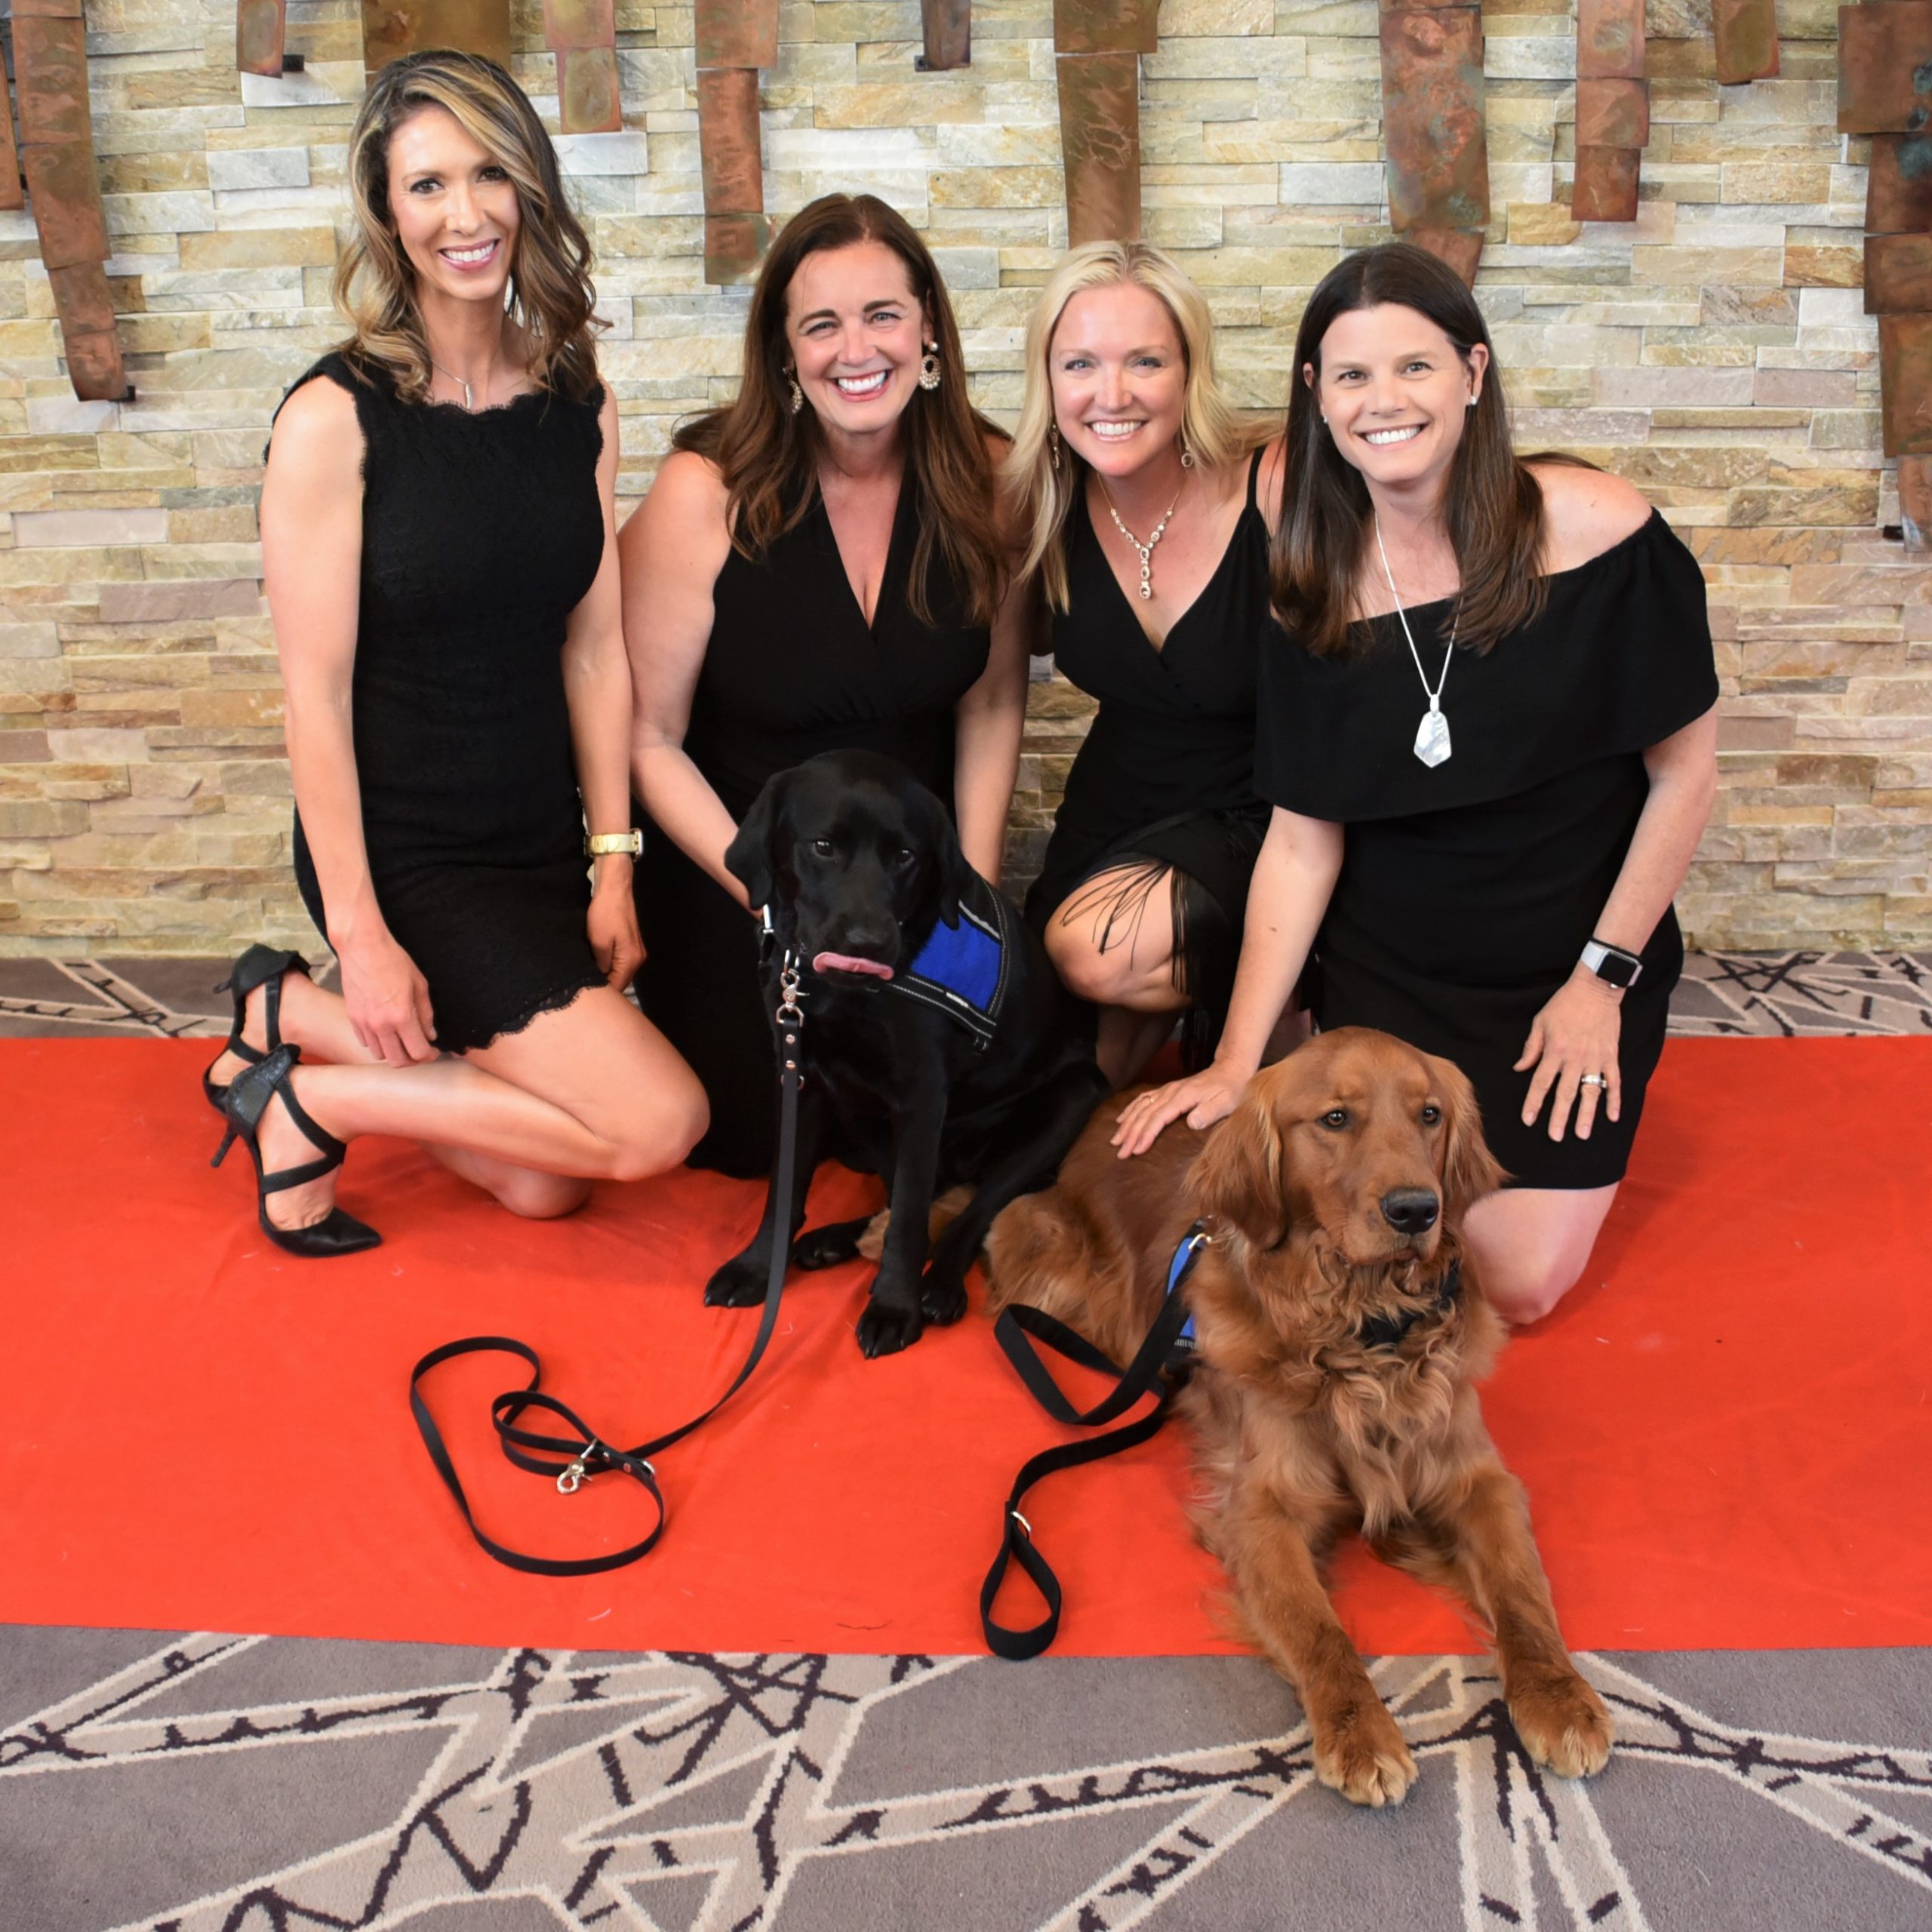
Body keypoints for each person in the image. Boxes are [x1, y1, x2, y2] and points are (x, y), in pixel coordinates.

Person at [1114, 242, 1718, 1325]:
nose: (1382, 402)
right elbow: (1304, 841)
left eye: (1416, 368)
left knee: (1517, 1282)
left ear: (1474, 376)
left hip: (1562, 962)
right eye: (1350, 377)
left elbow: (1685, 775)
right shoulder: (1310, 580)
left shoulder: (1598, 531)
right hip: (1389, 970)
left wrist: (1602, 983)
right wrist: (1243, 1063)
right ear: (1316, 398)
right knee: (1312, 1222)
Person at [205, 50, 706, 1257]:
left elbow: (595, 651)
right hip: (408, 851)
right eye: (426, 186)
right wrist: (368, 939)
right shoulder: (335, 419)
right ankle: (308, 1094)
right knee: (657, 1124)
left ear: (530, 187)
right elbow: (313, 701)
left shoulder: (578, 401)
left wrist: (614, 861)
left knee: (543, 1186)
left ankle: (283, 1016)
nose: (464, 214)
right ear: (387, 213)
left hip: (532, 837)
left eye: (489, 174)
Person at [621, 193, 1029, 1177]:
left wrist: (962, 904)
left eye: (883, 314)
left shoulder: (992, 475)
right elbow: (648, 739)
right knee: (770, 1148)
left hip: (905, 887)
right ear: (784, 352)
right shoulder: (706, 492)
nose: (859, 349)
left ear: (929, 329)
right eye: (822, 324)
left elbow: (990, 701)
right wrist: (769, 899)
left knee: (976, 1136)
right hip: (749, 887)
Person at [1007, 242, 1282, 1086]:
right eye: (1080, 363)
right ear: (1047, 381)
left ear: (1189, 371)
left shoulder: (1273, 481)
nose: (1111, 394)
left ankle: (1288, 984)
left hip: (1264, 802)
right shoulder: (1036, 505)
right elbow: (985, 696)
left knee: (1095, 953)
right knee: (1054, 1085)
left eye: (1145, 362)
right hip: (1119, 802)